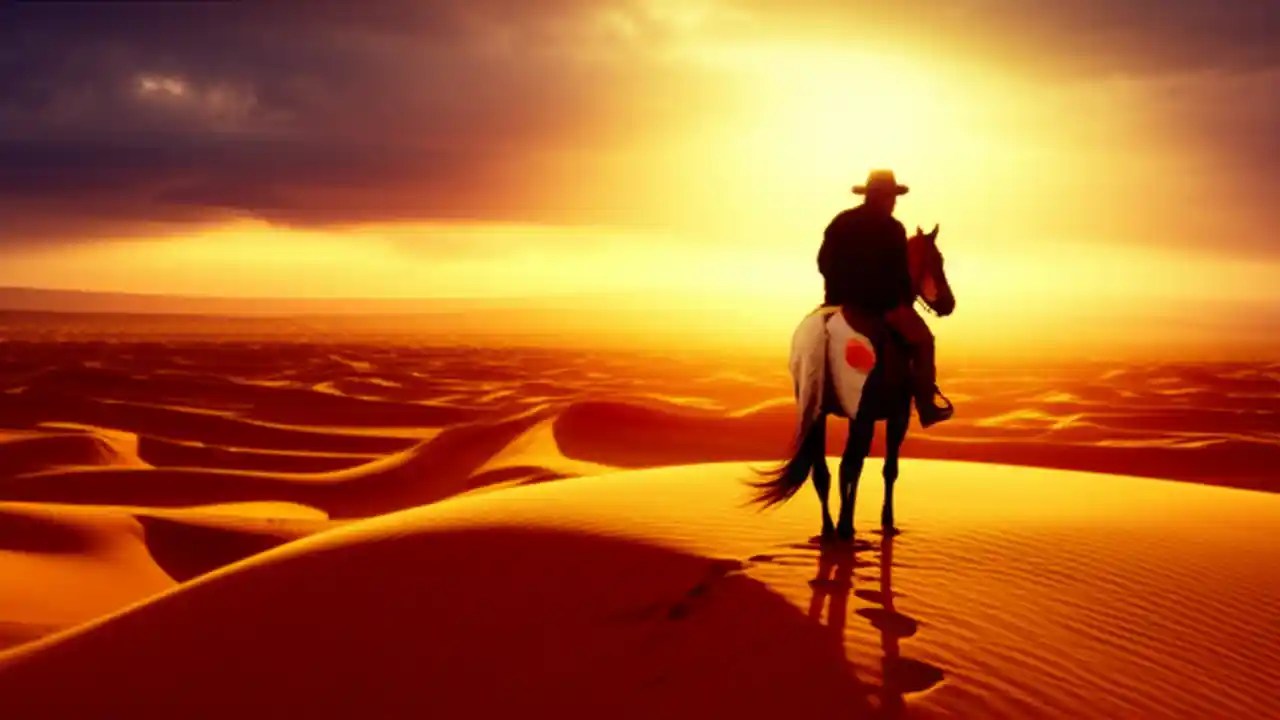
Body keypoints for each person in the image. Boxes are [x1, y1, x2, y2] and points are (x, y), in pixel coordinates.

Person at [817, 169, 954, 427]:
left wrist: (840, 289)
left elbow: (823, 262)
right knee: (924, 340)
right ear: (882, 197)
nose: (893, 203)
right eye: (892, 197)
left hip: (835, 304)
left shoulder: (841, 222)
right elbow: (901, 274)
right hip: (877, 306)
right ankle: (926, 404)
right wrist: (897, 297)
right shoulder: (893, 229)